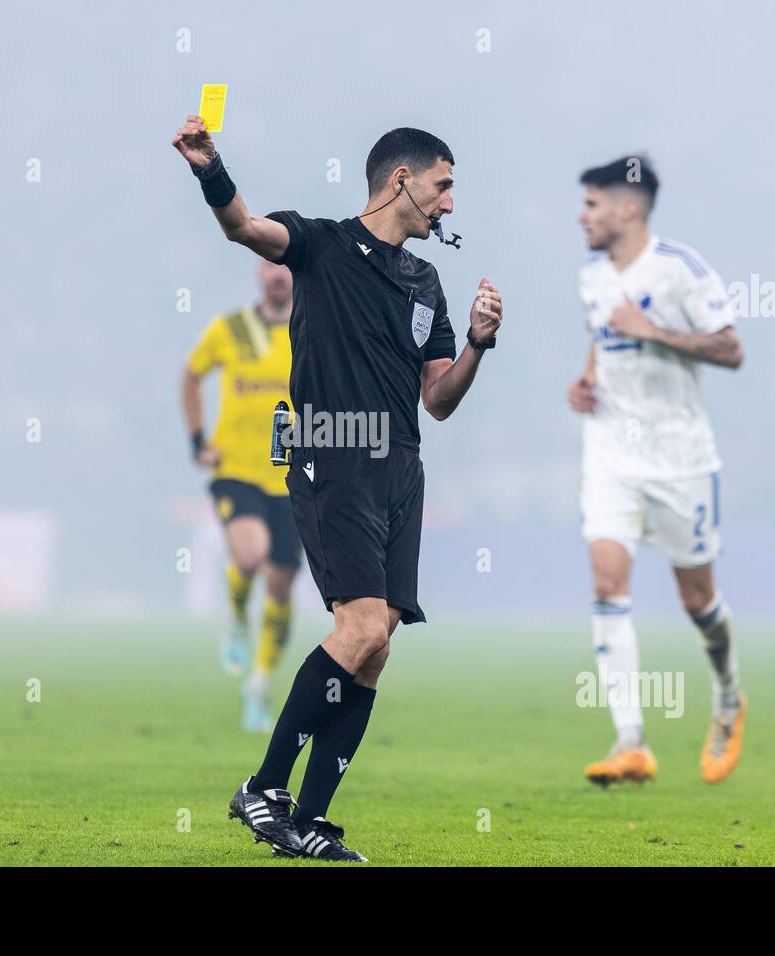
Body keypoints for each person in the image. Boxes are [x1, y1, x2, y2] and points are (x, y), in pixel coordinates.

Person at [171, 117, 502, 860]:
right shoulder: (320, 244)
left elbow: (438, 399)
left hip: (399, 470)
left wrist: (477, 343)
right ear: (401, 181)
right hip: (330, 457)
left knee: (377, 644)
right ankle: (263, 787)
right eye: (444, 186)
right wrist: (208, 166)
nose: (450, 205)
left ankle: (309, 819)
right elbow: (243, 228)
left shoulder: (426, 281)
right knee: (356, 629)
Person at [567, 155, 747, 787]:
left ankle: (727, 696)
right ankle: (630, 742)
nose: (582, 215)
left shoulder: (680, 269)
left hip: (680, 460)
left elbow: (731, 348)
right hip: (611, 455)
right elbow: (603, 339)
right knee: (607, 579)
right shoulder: (591, 277)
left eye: (592, 204)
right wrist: (586, 380)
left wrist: (654, 330)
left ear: (629, 208)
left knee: (697, 599)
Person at [181, 258, 302, 731]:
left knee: (281, 587)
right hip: (235, 469)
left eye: (286, 267)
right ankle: (235, 617)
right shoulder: (229, 328)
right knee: (250, 556)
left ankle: (260, 683)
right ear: (256, 272)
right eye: (270, 266)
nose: (278, 274)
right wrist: (197, 439)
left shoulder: (310, 332)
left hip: (291, 473)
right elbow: (191, 376)